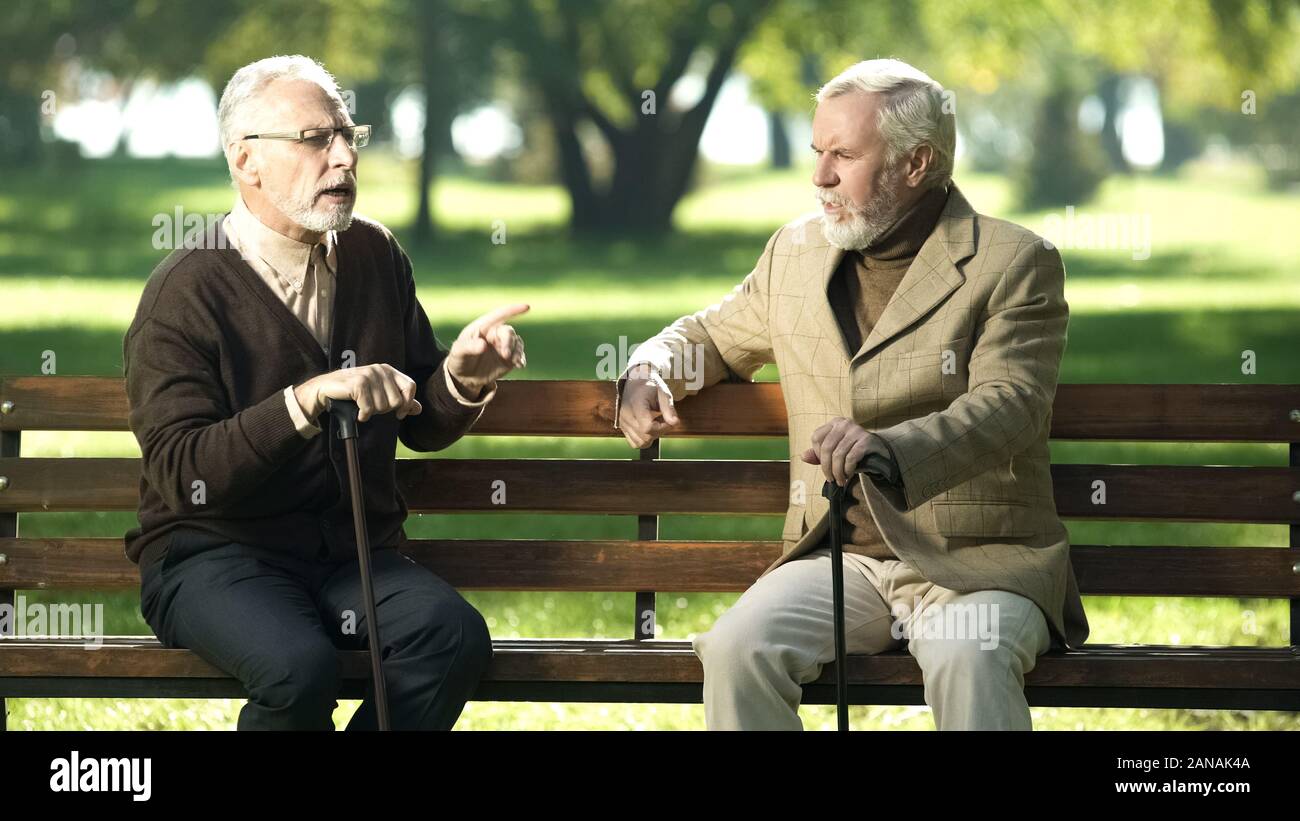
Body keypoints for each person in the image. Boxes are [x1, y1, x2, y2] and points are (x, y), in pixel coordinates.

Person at [615, 58, 1089, 731]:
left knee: (968, 656)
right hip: (841, 560)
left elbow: (1011, 403)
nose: (820, 176)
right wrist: (649, 369)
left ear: (916, 163)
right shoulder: (797, 252)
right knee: (735, 648)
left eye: (843, 154)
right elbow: (712, 338)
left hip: (978, 567)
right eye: (817, 152)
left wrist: (889, 448)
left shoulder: (1013, 261)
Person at [125, 55, 527, 730]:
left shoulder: (375, 256)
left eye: (348, 135)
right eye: (316, 139)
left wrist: (463, 375)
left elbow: (419, 417)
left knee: (451, 635)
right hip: (214, 557)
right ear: (246, 161)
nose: (342, 156)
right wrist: (305, 401)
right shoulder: (186, 289)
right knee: (297, 670)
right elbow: (182, 471)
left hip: (351, 557)